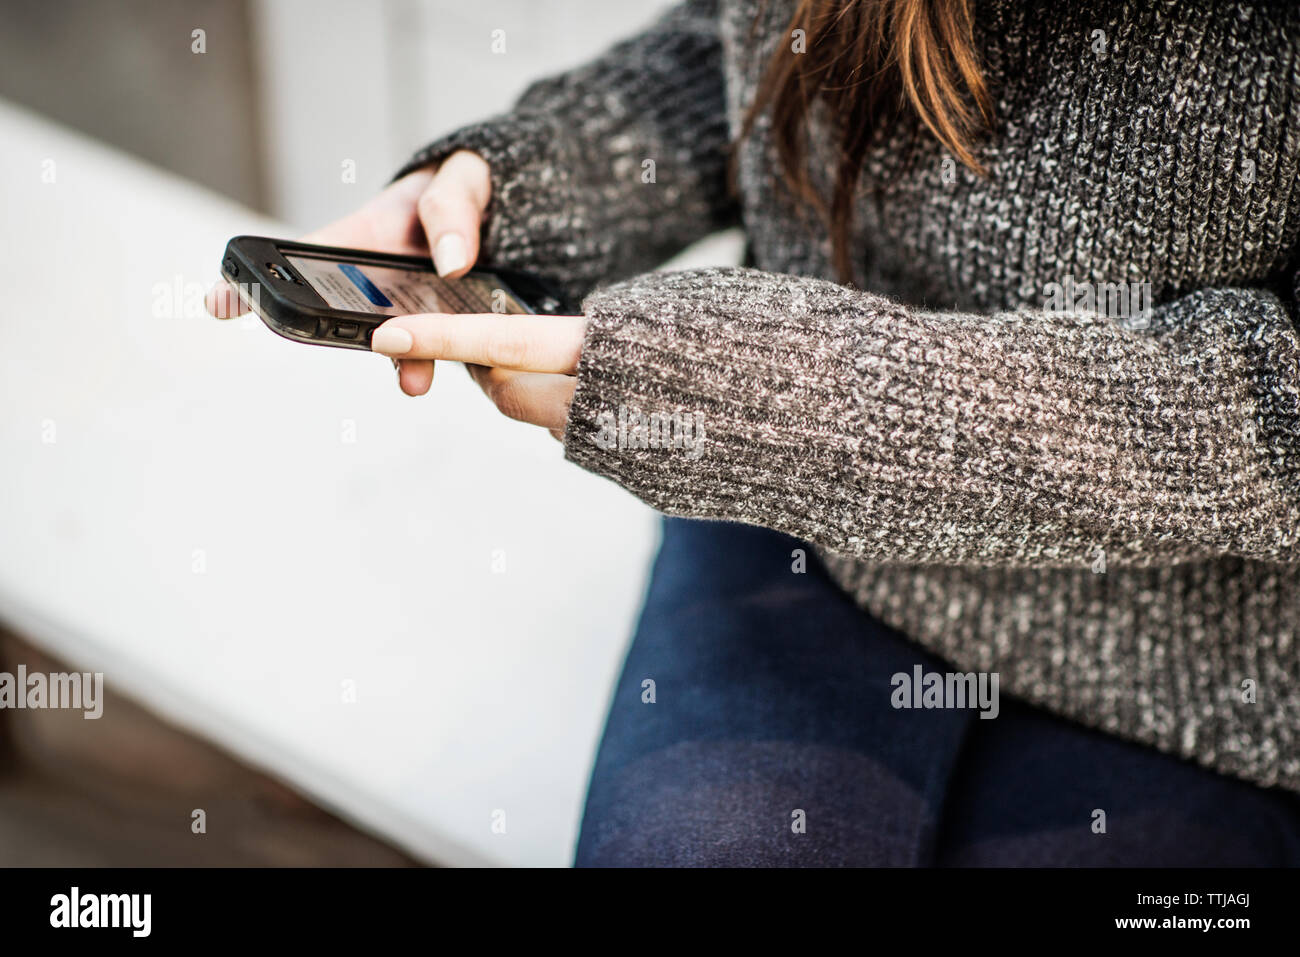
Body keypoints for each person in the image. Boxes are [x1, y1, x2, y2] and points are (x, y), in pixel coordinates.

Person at [209, 0, 1300, 866]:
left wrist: (767, 403)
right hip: (802, 549)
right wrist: (522, 182)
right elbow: (750, 45)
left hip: (1194, 657)